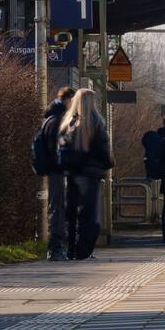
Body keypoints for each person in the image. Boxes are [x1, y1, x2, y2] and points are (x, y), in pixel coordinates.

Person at [57, 87, 113, 260]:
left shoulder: (68, 123)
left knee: (71, 214)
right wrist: (108, 163)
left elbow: (60, 146)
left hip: (71, 174)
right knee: (89, 216)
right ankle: (84, 252)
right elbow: (103, 149)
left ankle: (71, 250)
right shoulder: (96, 122)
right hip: (90, 174)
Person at [32, 86, 75, 261]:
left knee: (58, 208)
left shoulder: (51, 119)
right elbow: (58, 149)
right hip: (58, 172)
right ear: (68, 100)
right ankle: (56, 248)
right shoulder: (57, 121)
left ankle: (59, 247)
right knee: (58, 209)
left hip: (55, 171)